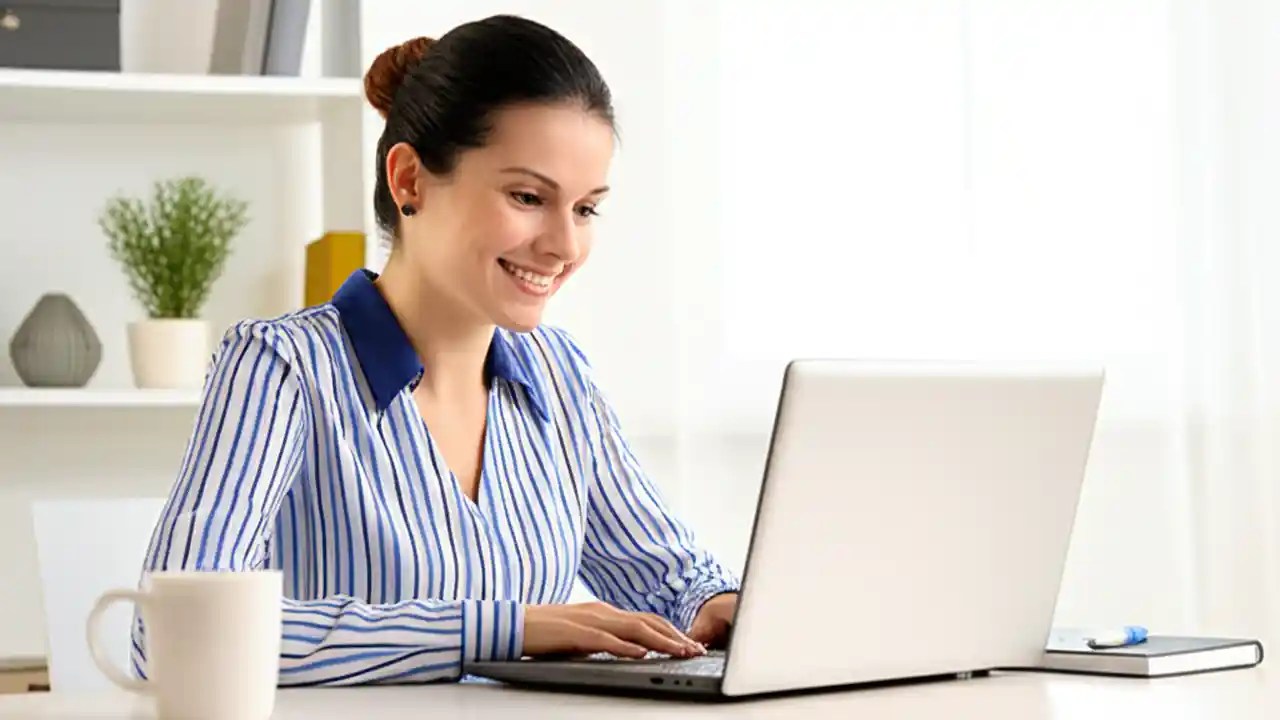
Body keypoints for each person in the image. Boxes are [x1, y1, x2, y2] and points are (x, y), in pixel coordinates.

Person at [130, 14, 740, 687]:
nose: (565, 246)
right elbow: (171, 635)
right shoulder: (282, 370)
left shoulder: (557, 375)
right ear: (410, 181)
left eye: (587, 208)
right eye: (529, 197)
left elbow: (661, 568)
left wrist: (720, 607)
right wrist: (499, 630)